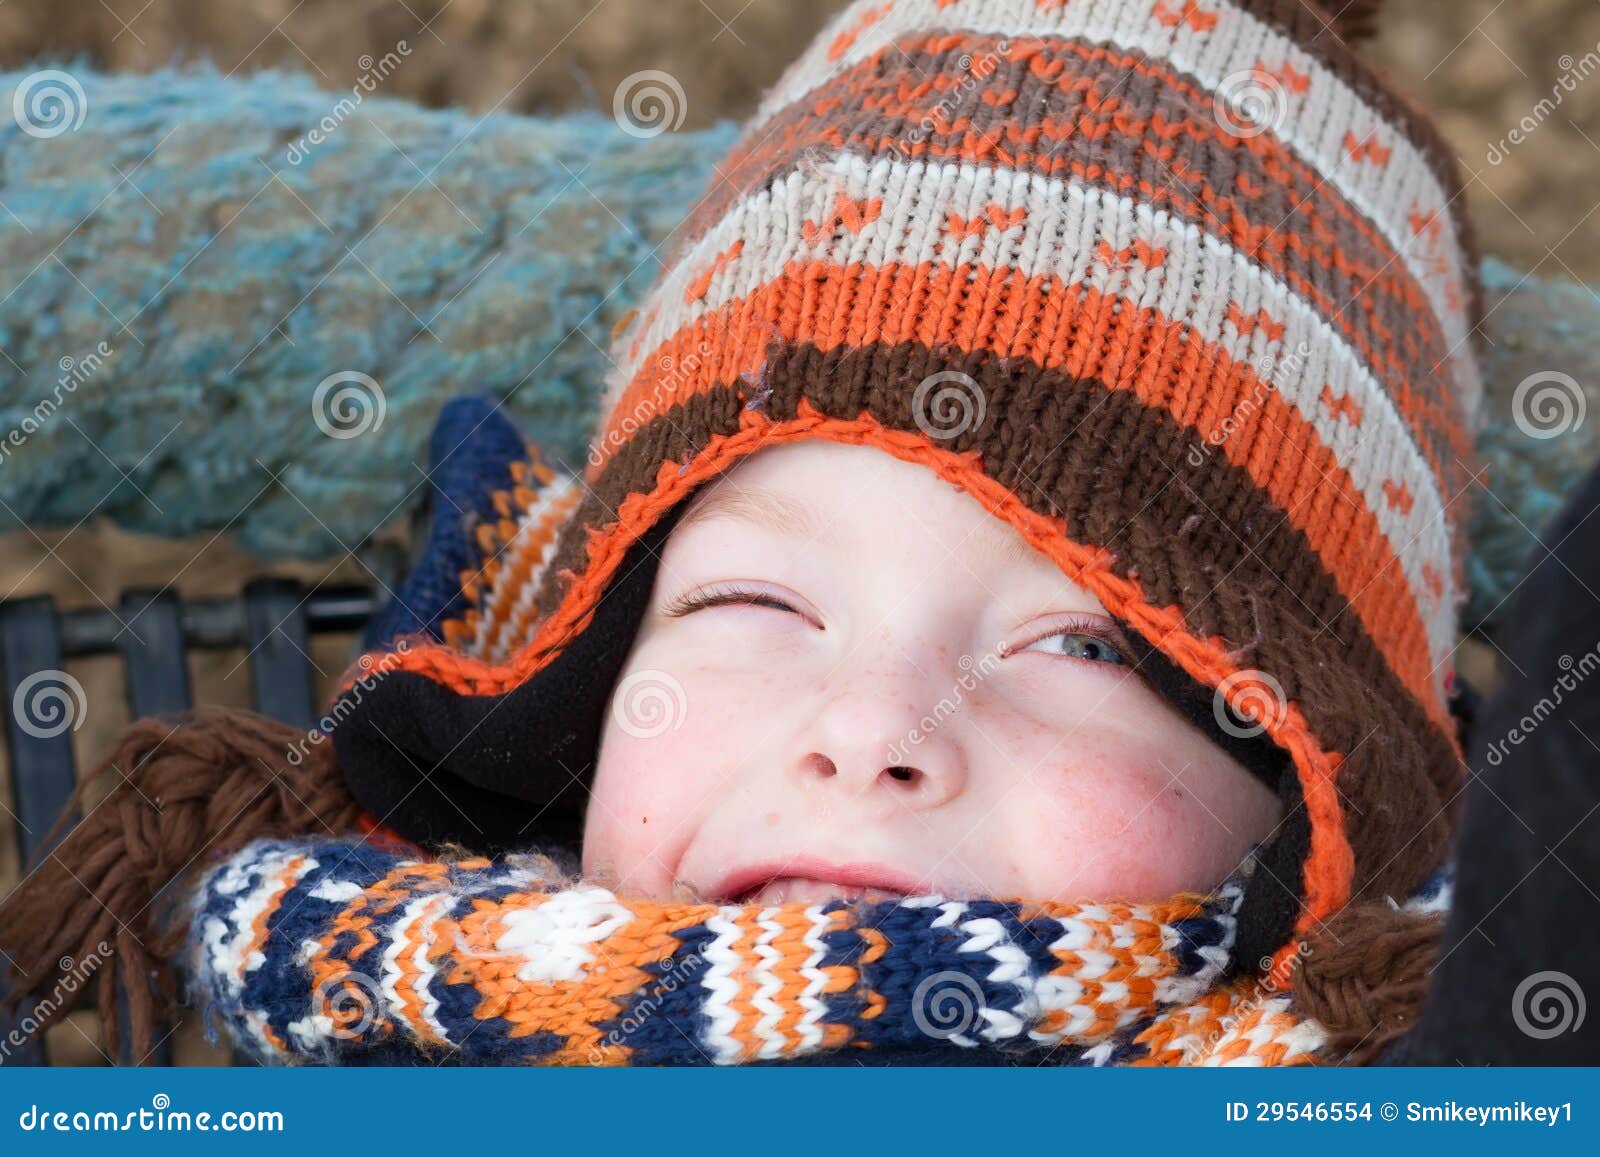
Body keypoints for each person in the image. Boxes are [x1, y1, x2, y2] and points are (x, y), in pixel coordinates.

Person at [5, 0, 1590, 1065]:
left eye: (1086, 638)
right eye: (754, 598)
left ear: (1329, 797)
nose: (871, 734)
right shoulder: (355, 995)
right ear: (585, 686)